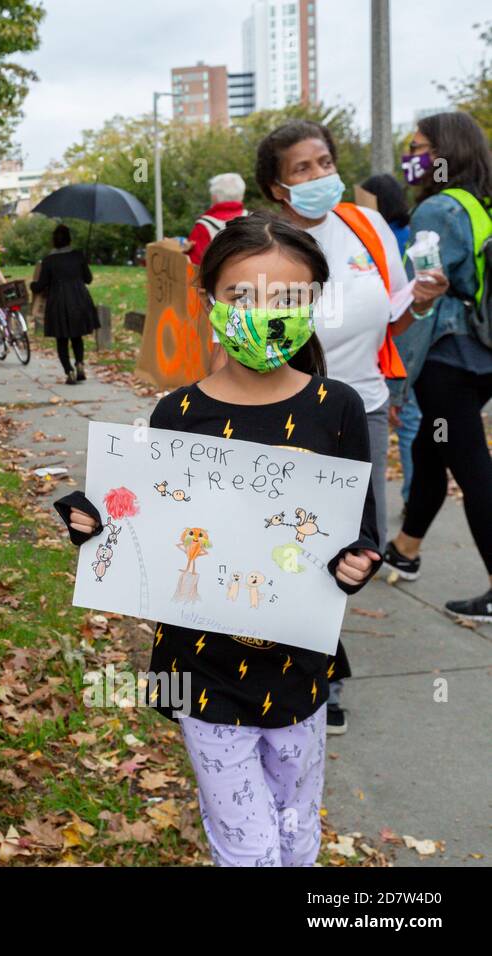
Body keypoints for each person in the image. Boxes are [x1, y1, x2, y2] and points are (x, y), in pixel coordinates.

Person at [57, 214, 381, 865]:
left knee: (294, 834)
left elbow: (362, 532)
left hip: (297, 668)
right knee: (245, 843)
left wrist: (358, 562)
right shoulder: (177, 413)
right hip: (201, 668)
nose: (265, 314)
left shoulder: (337, 406)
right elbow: (138, 531)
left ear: (316, 299)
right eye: (242, 296)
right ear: (209, 300)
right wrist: (93, 526)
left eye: (287, 298)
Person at [250, 120, 448, 733]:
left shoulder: (366, 228)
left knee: (357, 543)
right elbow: (237, 331)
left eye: (324, 162)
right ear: (279, 187)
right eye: (302, 169)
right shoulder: (263, 243)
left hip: (360, 405)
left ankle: (316, 656)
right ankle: (317, 670)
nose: (319, 176)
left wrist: (419, 300)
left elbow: (392, 315)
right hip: (284, 407)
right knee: (293, 540)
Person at [382, 111, 492, 623]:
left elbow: (421, 301)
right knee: (431, 449)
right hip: (483, 352)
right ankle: (405, 549)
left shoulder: (436, 210)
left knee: (472, 468)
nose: (411, 154)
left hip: (447, 354)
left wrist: (399, 375)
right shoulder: (477, 203)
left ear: (444, 151)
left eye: (419, 145)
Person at [359, 173, 420, 502]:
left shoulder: (379, 239)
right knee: (412, 421)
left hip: (394, 344)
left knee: (407, 419)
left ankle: (412, 497)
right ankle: (414, 496)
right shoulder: (408, 234)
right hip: (411, 341)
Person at [30, 223, 99, 385]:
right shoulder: (78, 256)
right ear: (69, 239)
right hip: (79, 299)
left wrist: (32, 286)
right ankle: (80, 363)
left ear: (54, 241)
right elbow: (88, 279)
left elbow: (40, 285)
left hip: (58, 302)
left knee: (61, 339)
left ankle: (69, 371)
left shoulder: (48, 261)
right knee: (77, 336)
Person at [186, 172, 248, 266]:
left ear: (214, 197)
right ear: (242, 195)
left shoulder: (203, 227)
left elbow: (195, 267)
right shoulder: (256, 220)